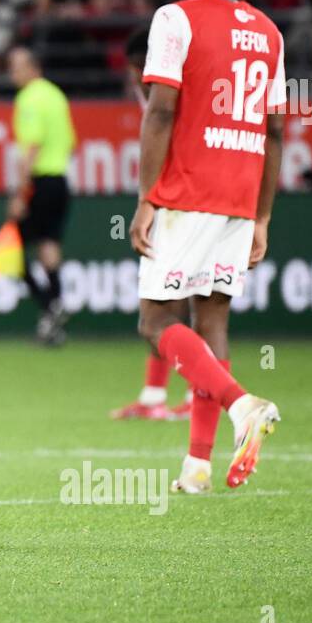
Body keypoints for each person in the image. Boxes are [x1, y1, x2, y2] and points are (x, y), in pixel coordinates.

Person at [129, 0, 285, 494]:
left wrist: (147, 197)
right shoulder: (269, 32)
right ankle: (197, 465)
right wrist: (262, 215)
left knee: (155, 321)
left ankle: (242, 404)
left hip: (189, 189)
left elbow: (161, 111)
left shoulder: (176, 18)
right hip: (240, 192)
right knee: (211, 318)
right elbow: (274, 131)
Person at [112, 27, 190, 420]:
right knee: (172, 303)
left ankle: (198, 394)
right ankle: (156, 396)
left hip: (173, 205)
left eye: (132, 68)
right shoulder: (159, 95)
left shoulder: (166, 97)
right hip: (176, 204)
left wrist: (149, 202)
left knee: (165, 307)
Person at [6, 47, 76, 346]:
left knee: (12, 251)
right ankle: (55, 308)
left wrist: (21, 193)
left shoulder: (30, 98)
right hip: (59, 180)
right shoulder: (56, 95)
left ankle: (50, 304)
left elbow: (31, 148)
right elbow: (70, 141)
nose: (12, 72)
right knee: (49, 245)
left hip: (38, 183)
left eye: (17, 66)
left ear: (32, 67)